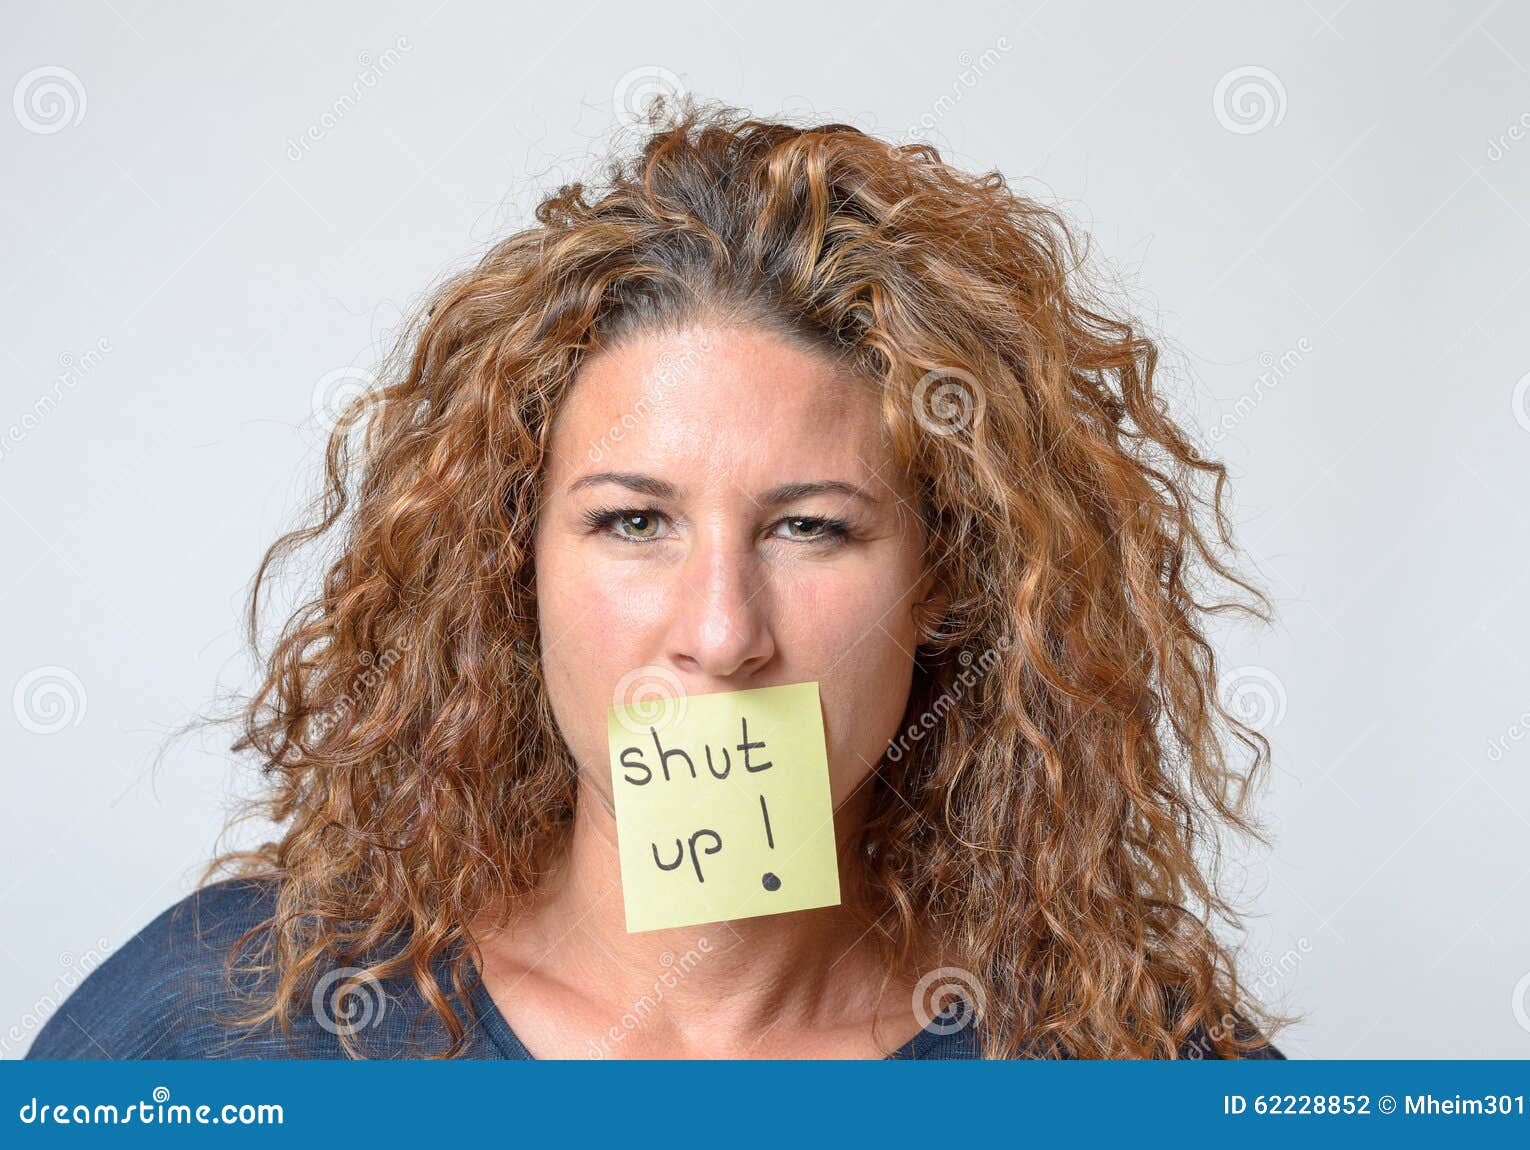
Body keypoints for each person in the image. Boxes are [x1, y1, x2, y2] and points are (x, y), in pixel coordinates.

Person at [29, 96, 1289, 1061]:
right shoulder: (232, 1025)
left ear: (945, 579)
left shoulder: (1135, 1065)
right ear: (509, 562)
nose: (721, 631)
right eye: (634, 521)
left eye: (811, 529)